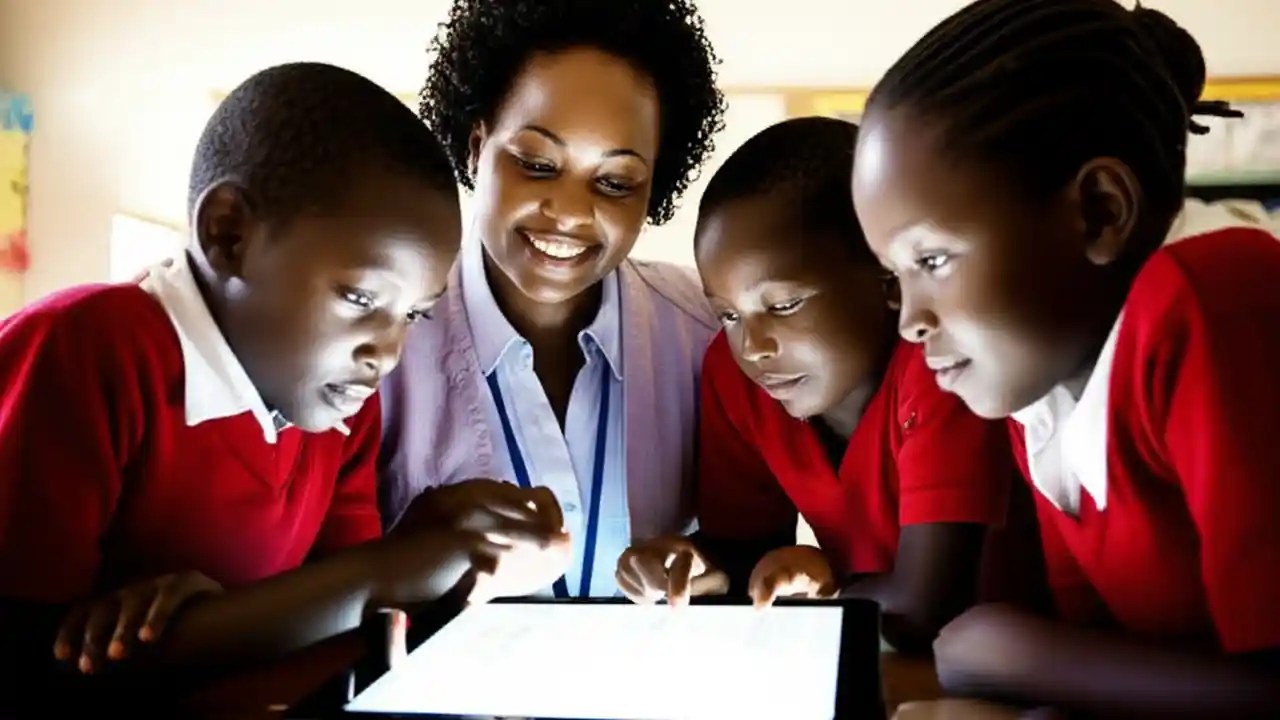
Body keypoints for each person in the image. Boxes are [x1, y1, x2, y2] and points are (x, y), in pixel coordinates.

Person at [0, 62, 561, 708]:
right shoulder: (86, 348)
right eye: (359, 297)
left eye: (413, 313)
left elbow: (336, 625)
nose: (388, 350)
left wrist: (416, 545)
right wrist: (389, 569)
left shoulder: (340, 405)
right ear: (229, 234)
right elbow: (29, 659)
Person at [852, 0, 1280, 715]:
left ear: (1100, 211)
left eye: (932, 258)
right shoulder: (1044, 397)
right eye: (895, 275)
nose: (912, 322)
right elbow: (1113, 667)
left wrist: (1018, 655)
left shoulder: (1217, 299)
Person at [615, 117, 1029, 651]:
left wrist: (824, 583)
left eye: (783, 305)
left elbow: (929, 604)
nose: (754, 346)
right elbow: (749, 552)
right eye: (728, 316)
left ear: (889, 280)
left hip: (1020, 672)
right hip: (887, 671)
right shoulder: (738, 379)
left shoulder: (940, 366)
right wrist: (701, 567)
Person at [379, 0, 726, 599]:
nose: (568, 213)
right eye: (537, 165)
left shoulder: (707, 334)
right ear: (475, 147)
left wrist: (709, 569)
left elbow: (748, 552)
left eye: (615, 182)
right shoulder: (379, 343)